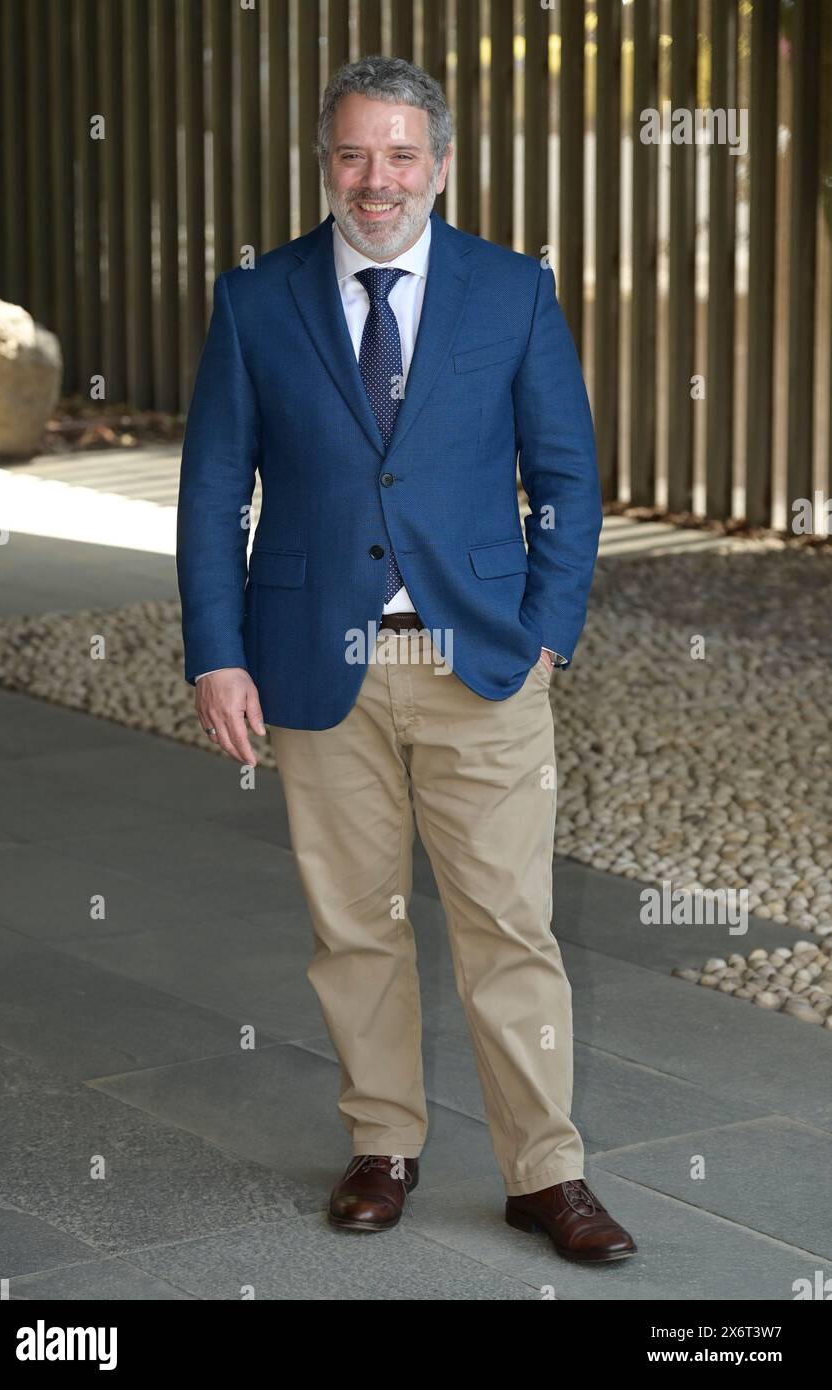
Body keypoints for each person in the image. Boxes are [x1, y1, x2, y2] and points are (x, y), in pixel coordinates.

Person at [176, 55, 636, 1263]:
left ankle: (546, 1172)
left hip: (478, 661)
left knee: (508, 926)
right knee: (355, 927)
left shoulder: (510, 291)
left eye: (397, 155)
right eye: (349, 154)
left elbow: (568, 477)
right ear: (323, 163)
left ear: (438, 164)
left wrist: (546, 629)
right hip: (312, 658)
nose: (373, 180)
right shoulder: (255, 297)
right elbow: (216, 484)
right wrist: (216, 654)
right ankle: (381, 1144)